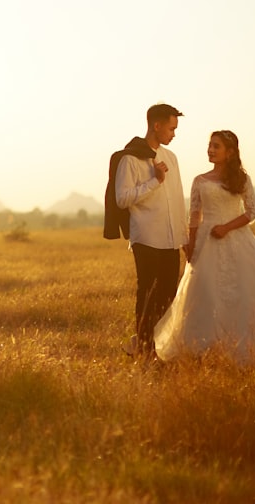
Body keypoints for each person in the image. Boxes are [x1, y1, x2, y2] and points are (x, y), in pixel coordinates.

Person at [154, 130, 255, 363]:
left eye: (217, 147)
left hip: (237, 238)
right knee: (205, 292)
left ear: (230, 152)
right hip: (206, 241)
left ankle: (250, 344)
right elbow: (194, 216)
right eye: (210, 145)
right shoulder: (200, 180)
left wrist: (226, 227)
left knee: (246, 292)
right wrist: (191, 247)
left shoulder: (241, 179)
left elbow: (252, 212)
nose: (211, 150)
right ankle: (202, 348)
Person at [106, 103, 187, 358]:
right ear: (156, 125)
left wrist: (184, 238)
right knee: (148, 294)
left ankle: (150, 344)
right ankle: (145, 349)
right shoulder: (129, 159)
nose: (174, 133)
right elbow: (122, 199)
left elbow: (176, 199)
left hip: (170, 239)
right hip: (146, 237)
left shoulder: (171, 158)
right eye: (171, 128)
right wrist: (155, 181)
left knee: (168, 296)